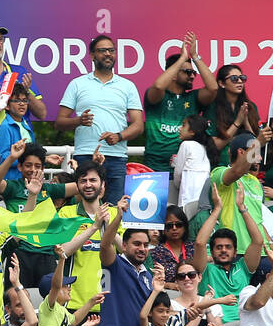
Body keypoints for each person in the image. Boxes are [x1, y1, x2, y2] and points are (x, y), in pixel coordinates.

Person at [56, 35, 144, 203]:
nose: (108, 54)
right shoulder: (77, 84)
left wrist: (119, 136)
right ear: (92, 55)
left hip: (116, 158)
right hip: (85, 156)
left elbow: (138, 125)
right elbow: (60, 122)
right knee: (84, 210)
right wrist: (78, 121)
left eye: (111, 50)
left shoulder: (128, 85)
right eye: (102, 50)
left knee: (114, 209)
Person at [142, 33, 216, 172]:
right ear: (174, 74)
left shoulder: (193, 98)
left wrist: (195, 56)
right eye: (188, 72)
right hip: (154, 167)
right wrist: (182, 58)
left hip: (185, 167)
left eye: (194, 73)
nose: (193, 76)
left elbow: (213, 88)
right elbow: (158, 86)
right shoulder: (157, 95)